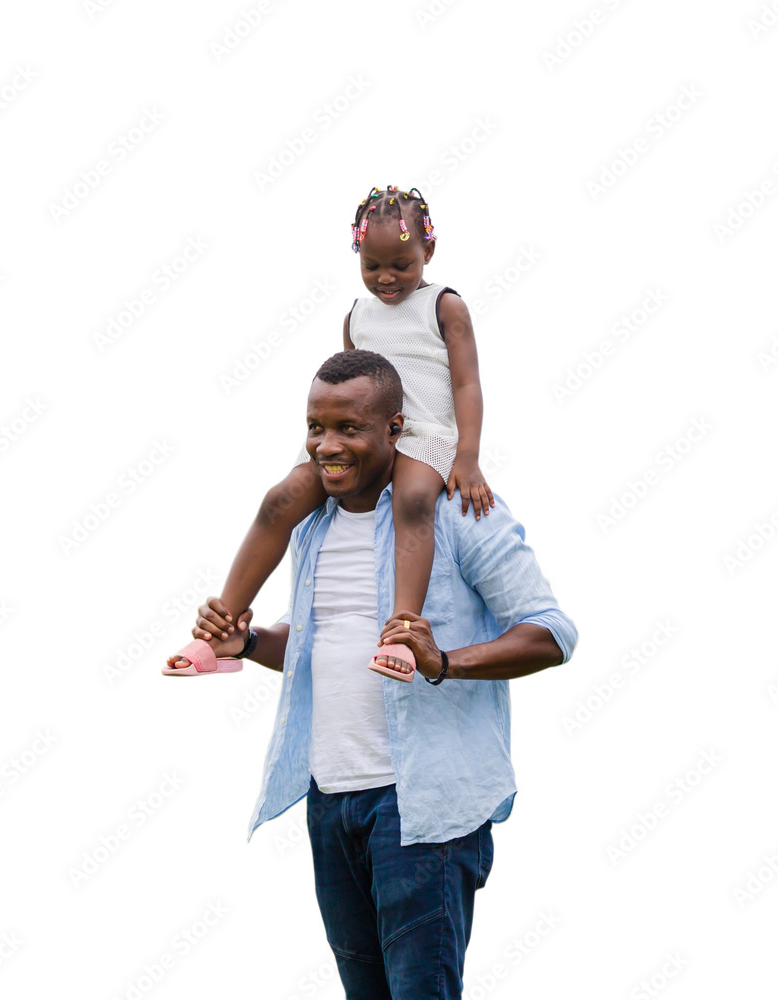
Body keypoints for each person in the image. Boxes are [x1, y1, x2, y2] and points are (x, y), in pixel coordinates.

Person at [173, 351, 577, 999]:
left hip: (423, 813)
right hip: (331, 802)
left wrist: (442, 662)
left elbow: (552, 633)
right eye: (315, 427)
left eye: (348, 429)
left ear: (395, 429)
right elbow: (314, 647)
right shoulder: (312, 528)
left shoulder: (457, 512)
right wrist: (245, 641)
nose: (326, 446)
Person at [168, 185, 494, 680]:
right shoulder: (356, 315)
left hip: (423, 433)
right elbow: (348, 381)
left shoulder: (444, 307)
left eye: (402, 265)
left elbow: (467, 383)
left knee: (412, 503)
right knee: (281, 499)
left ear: (428, 251)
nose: (386, 278)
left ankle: (402, 635)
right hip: (361, 437)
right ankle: (219, 634)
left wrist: (466, 456)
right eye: (372, 265)